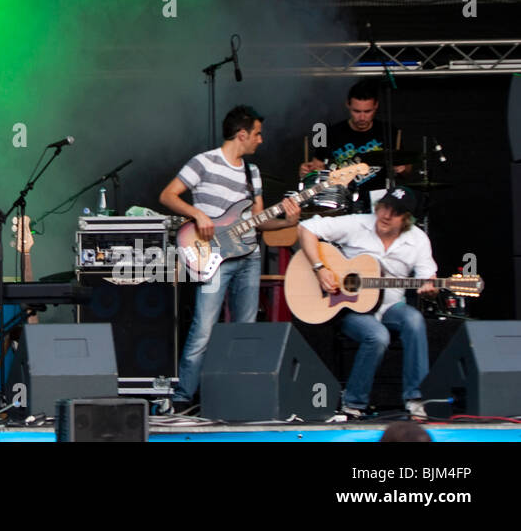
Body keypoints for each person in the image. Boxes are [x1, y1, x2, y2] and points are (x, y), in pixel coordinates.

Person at [160, 105, 299, 411]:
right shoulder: (203, 163)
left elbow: (259, 219)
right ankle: (183, 398)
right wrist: (197, 214)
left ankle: (236, 393)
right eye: (257, 134)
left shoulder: (253, 172)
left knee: (244, 329)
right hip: (211, 257)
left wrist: (288, 221)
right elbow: (168, 195)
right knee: (204, 328)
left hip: (249, 256)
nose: (260, 141)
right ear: (242, 134)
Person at [296, 186, 437, 421]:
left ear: (407, 220)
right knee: (378, 336)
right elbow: (306, 228)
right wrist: (320, 268)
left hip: (392, 306)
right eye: (385, 206)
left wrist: (429, 289)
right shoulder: (357, 223)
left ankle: (415, 399)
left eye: (396, 212)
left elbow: (428, 275)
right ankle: (353, 403)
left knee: (414, 320)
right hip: (349, 306)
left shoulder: (418, 240)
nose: (386, 215)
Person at [299, 79, 409, 214]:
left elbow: (407, 170)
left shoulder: (389, 131)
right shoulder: (325, 132)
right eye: (357, 111)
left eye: (367, 111)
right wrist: (307, 172)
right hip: (342, 199)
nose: (362, 117)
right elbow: (317, 168)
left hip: (379, 200)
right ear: (348, 105)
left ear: (376, 106)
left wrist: (402, 168)